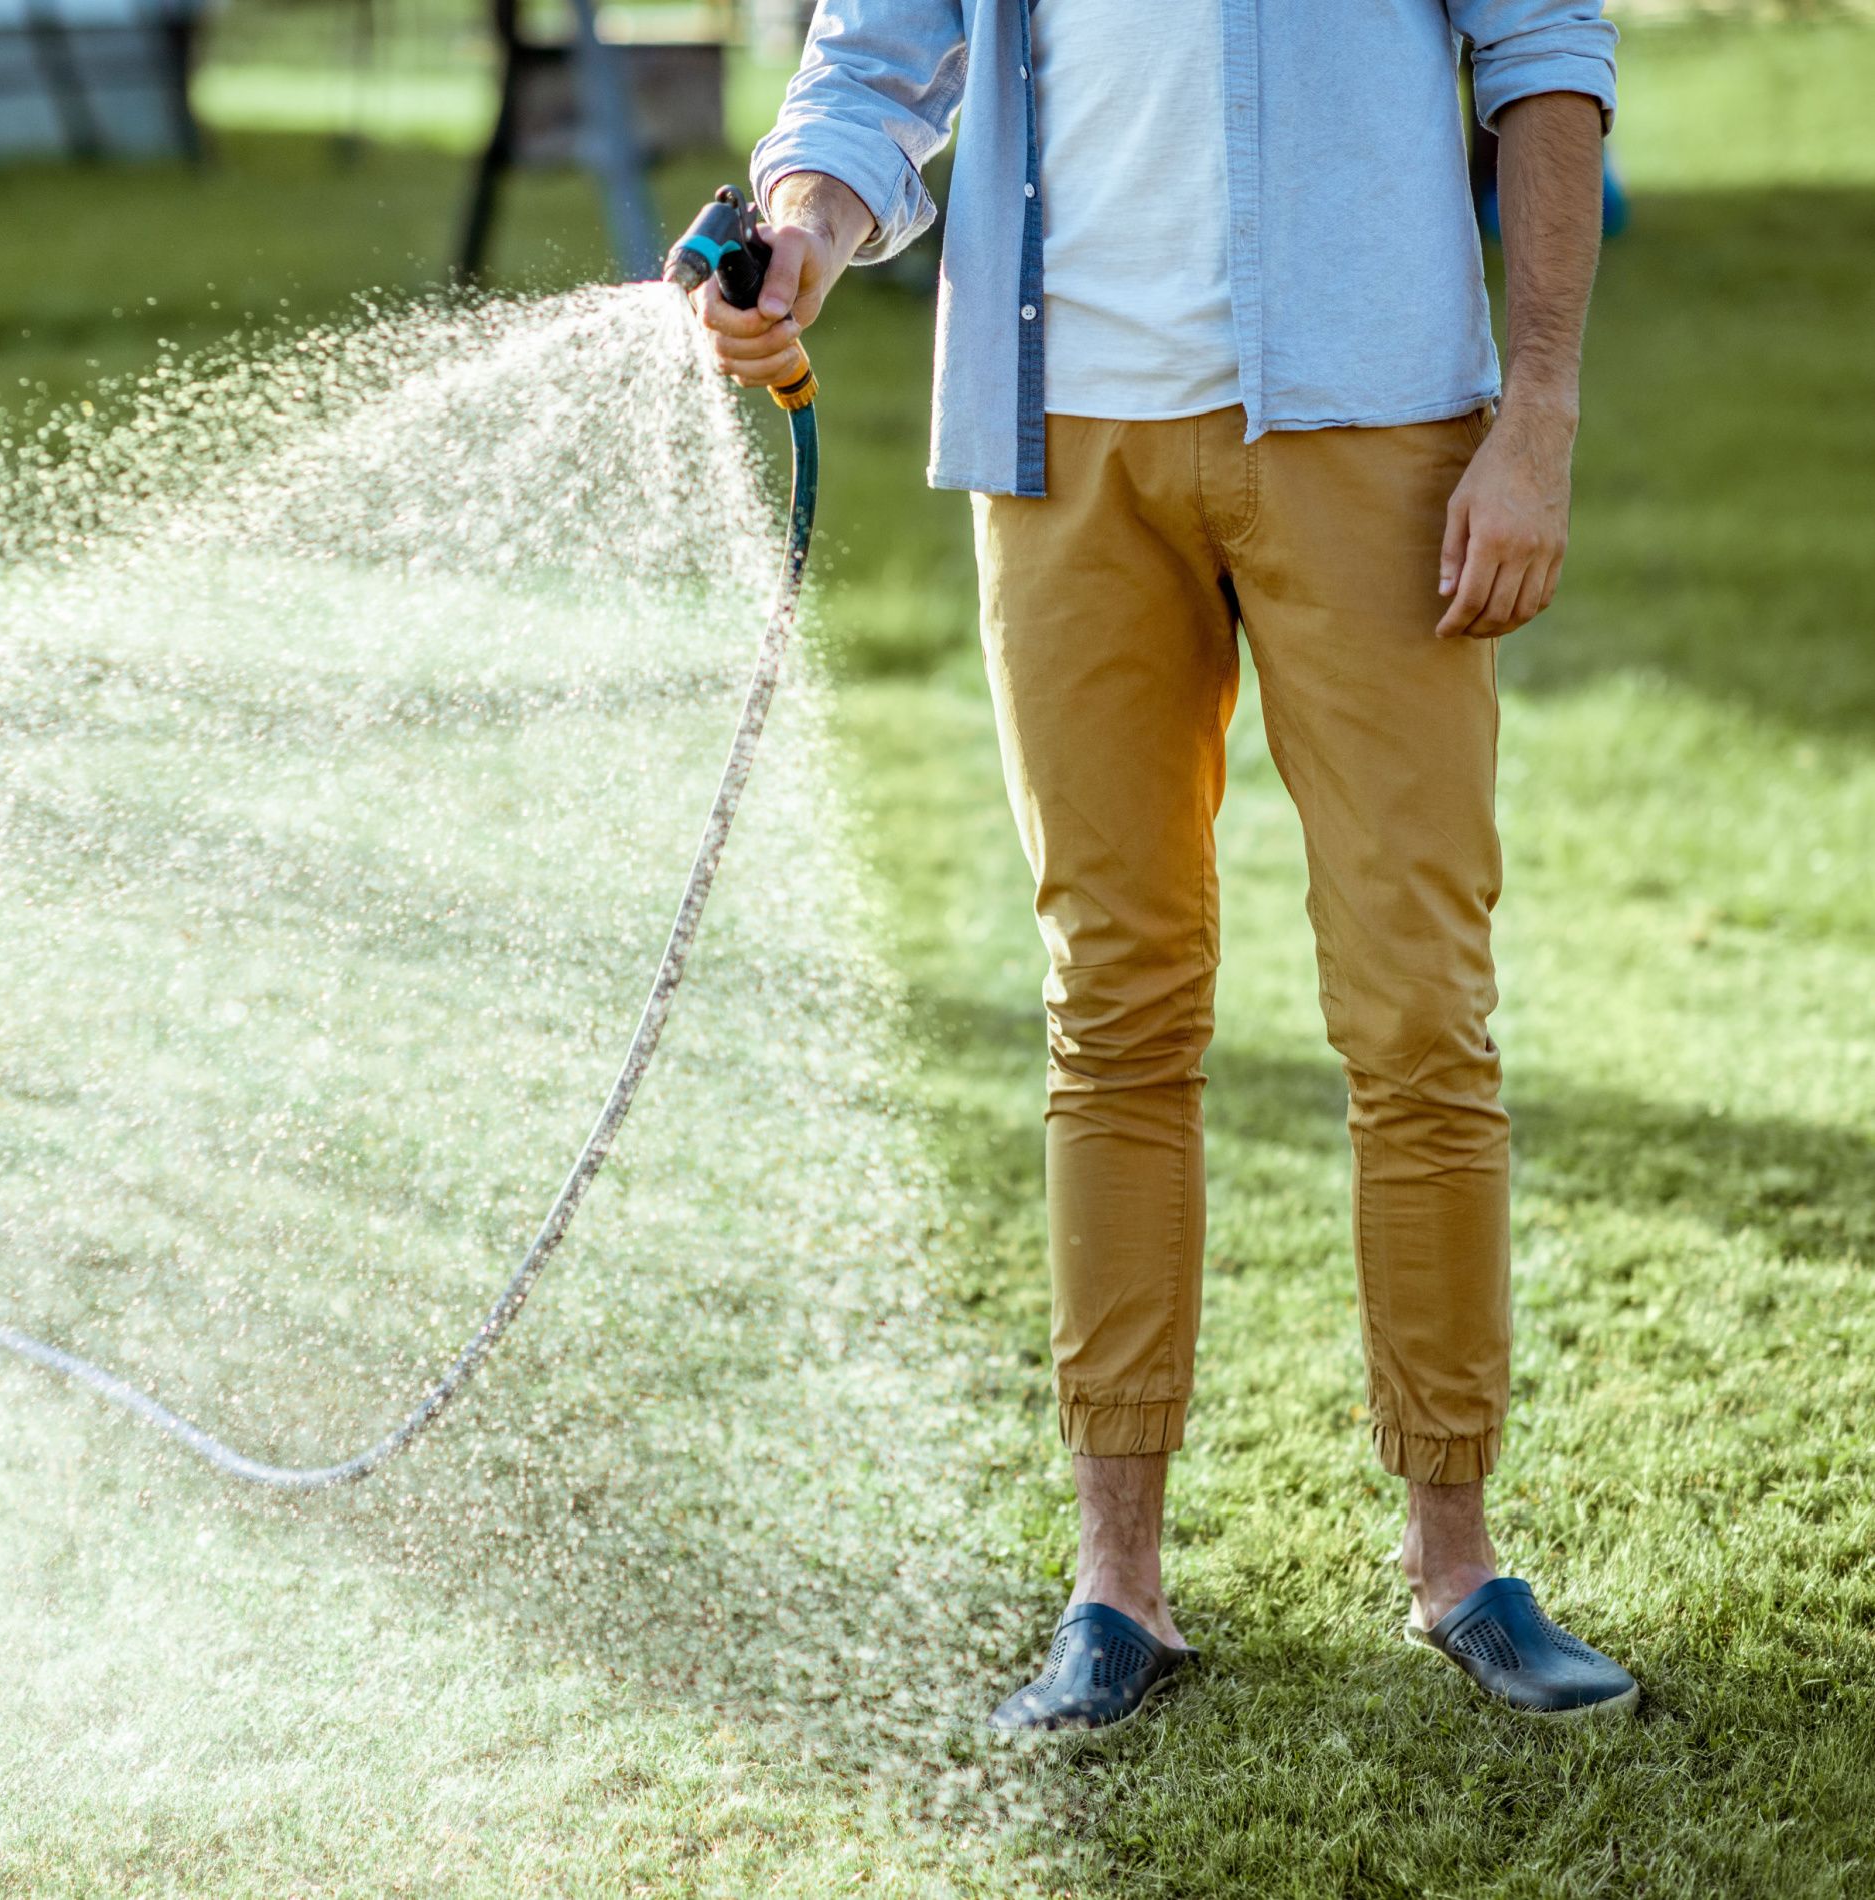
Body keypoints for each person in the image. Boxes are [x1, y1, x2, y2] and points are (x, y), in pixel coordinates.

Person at [691, 0, 1637, 1736]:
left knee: (1420, 1009)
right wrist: (805, 225)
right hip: (1057, 445)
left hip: (1376, 426)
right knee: (1111, 1008)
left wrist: (1541, 417)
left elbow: (1546, 57)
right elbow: (872, 63)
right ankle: (1115, 1589)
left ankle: (1459, 1566)